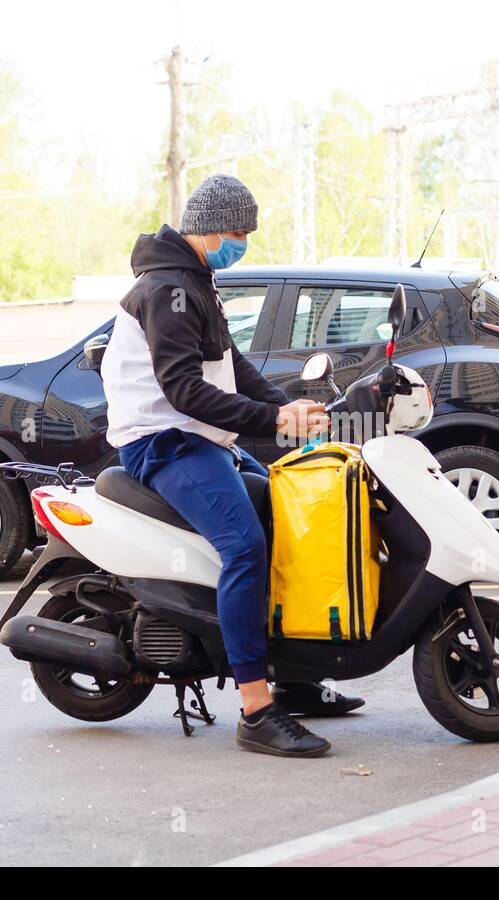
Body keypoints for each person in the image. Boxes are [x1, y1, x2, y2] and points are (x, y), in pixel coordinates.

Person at [102, 173, 363, 757]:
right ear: (207, 227)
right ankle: (255, 709)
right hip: (164, 442)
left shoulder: (197, 279)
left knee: (284, 514)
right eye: (239, 231)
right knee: (243, 547)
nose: (243, 240)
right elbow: (183, 392)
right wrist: (273, 424)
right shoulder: (168, 288)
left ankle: (294, 677)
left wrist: (283, 405)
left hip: (203, 438)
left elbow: (231, 363)